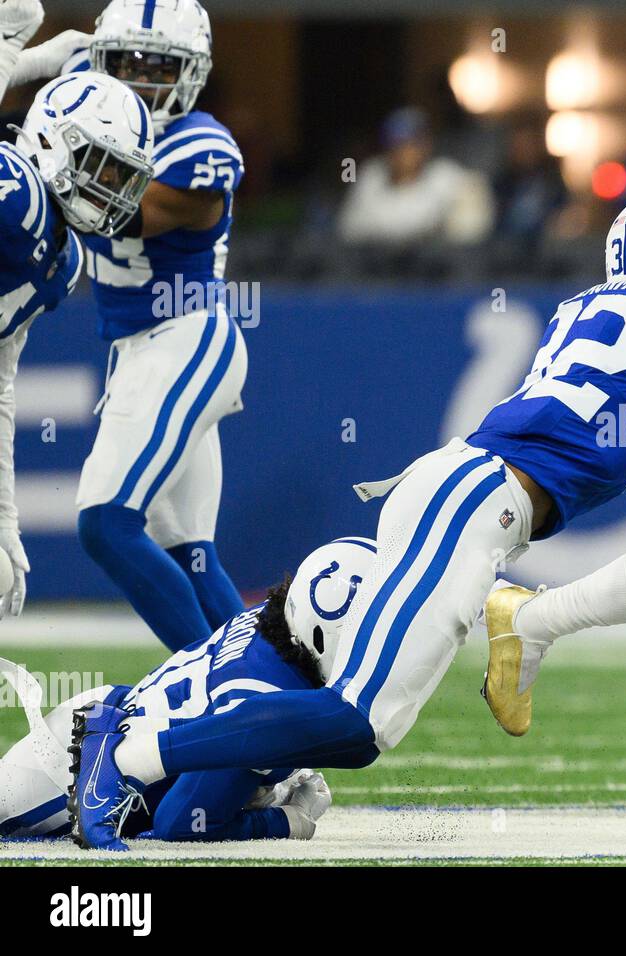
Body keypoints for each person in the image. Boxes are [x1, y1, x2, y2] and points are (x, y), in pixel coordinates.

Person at [64, 191, 626, 848]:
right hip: (475, 505)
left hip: (469, 497)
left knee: (354, 722)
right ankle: (135, 748)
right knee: (357, 719)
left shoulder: (600, 307)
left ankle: (193, 784)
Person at [26, 0, 252, 654]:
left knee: (105, 522)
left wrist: (34, 160)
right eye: (124, 62)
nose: (138, 79)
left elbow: (113, 209)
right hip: (138, 352)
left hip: (188, 337)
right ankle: (278, 725)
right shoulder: (85, 88)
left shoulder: (199, 147)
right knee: (190, 555)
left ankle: (206, 698)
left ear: (191, 74)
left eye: (159, 67)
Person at [0, 539, 363, 846]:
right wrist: (288, 821)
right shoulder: (265, 695)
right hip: (61, 783)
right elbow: (183, 822)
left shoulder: (274, 615)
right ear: (324, 636)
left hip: (101, 724)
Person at [0, 1, 155, 621]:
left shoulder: (63, 260)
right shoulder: (15, 192)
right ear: (52, 139)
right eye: (101, 165)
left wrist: (4, 514)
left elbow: (1, 379)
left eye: (122, 175)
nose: (111, 188)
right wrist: (16, 66)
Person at [336, 106, 494, 250]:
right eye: (396, 143)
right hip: (376, 270)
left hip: (435, 272)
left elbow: (471, 233)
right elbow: (349, 230)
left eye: (411, 143)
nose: (404, 151)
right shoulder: (370, 176)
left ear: (426, 144)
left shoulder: (450, 177)